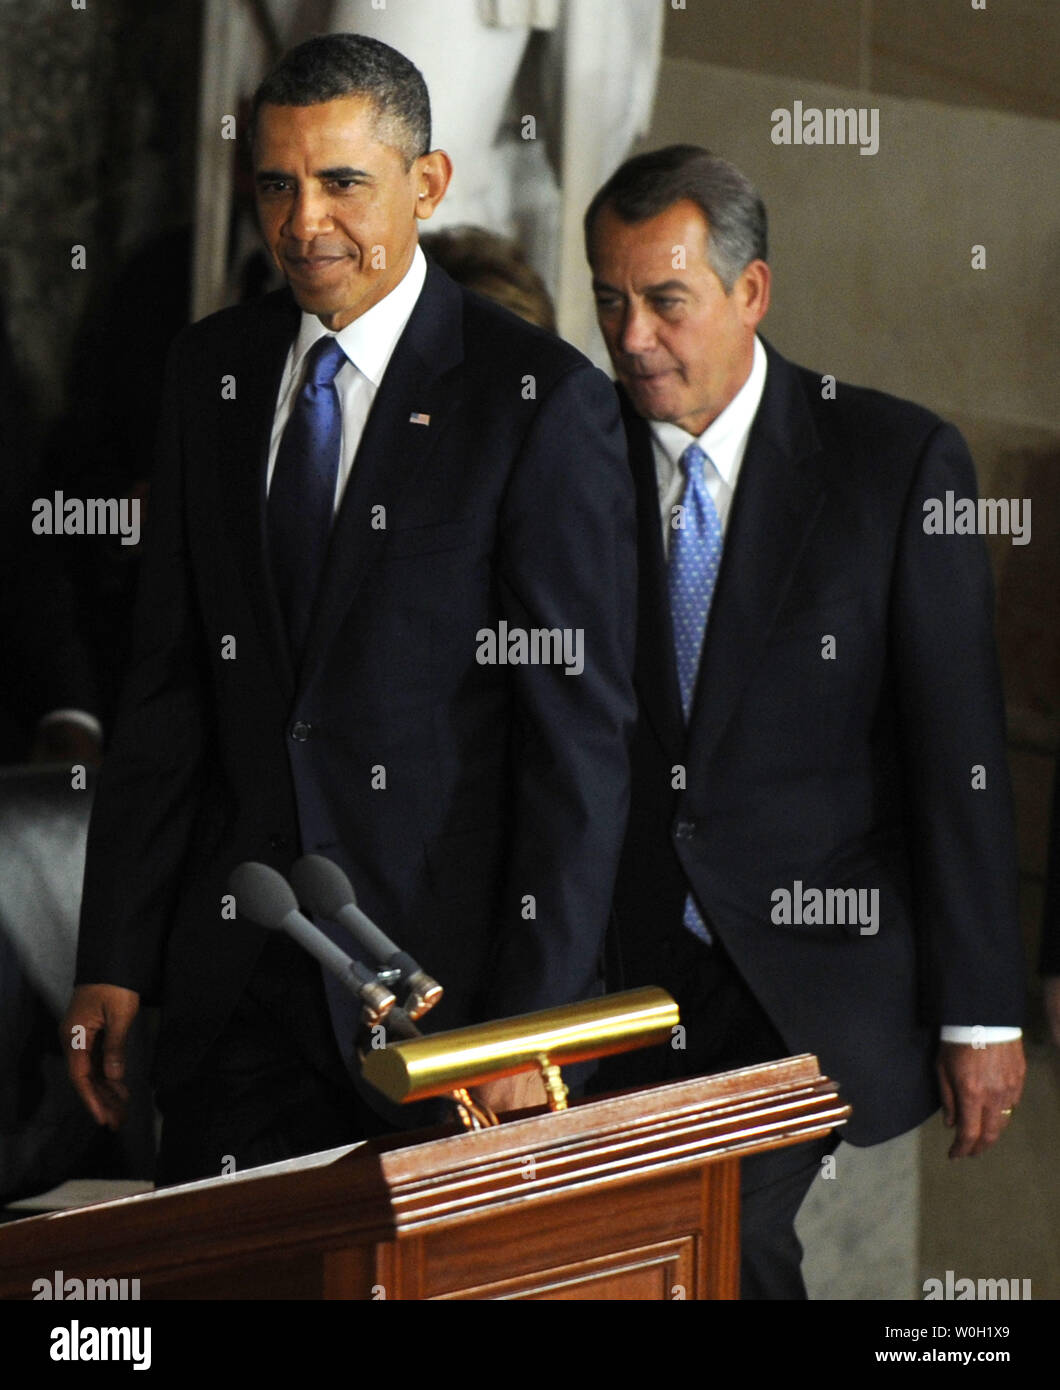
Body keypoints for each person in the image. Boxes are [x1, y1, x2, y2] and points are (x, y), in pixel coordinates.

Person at [63, 34, 635, 1185]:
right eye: (278, 183)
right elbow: (168, 687)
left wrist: (531, 1023)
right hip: (235, 985)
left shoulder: (536, 403)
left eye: (341, 182)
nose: (304, 221)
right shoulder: (208, 372)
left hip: (440, 1009)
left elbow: (577, 745)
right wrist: (115, 954)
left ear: (426, 184)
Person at [584, 145, 1026, 1299]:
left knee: (722, 1231)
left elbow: (959, 754)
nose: (633, 339)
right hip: (614, 978)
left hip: (814, 976)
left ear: (751, 293)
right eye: (610, 302)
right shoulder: (565, 461)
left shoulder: (890, 462)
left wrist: (979, 1012)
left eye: (666, 302)